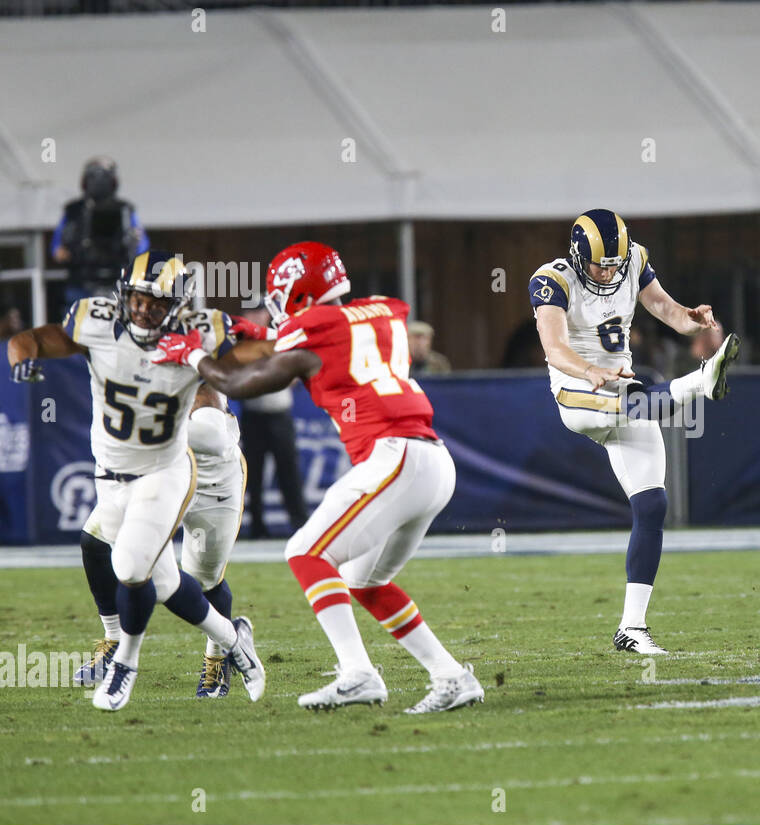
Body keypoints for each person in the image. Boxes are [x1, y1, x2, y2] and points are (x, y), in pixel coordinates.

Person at [155, 241, 482, 714]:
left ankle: (358, 673)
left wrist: (193, 357)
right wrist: (257, 331)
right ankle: (451, 676)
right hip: (431, 460)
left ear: (298, 294)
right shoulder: (382, 311)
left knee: (305, 552)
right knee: (364, 581)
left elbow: (241, 384)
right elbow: (324, 337)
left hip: (394, 456)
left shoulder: (312, 328)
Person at [6, 251, 264, 710]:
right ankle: (230, 639)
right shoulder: (99, 324)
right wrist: (21, 357)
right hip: (118, 475)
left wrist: (226, 350)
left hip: (185, 473)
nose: (145, 310)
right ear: (123, 295)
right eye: (138, 299)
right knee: (155, 579)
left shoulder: (197, 337)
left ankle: (132, 661)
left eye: (158, 302)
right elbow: (31, 338)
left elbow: (251, 370)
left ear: (179, 308)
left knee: (150, 570)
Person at [529, 208, 740, 655]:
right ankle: (700, 382)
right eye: (599, 264)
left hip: (619, 388)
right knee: (640, 402)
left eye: (614, 264)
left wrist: (693, 318)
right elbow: (554, 347)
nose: (607, 272)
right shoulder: (553, 279)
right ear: (577, 254)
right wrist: (588, 371)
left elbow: (665, 309)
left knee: (651, 503)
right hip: (576, 390)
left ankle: (632, 628)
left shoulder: (635, 259)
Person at [75, 379, 247, 699]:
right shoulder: (127, 352)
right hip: (157, 475)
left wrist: (145, 429)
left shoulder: (195, 362)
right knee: (95, 540)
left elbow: (215, 437)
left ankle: (218, 656)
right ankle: (114, 640)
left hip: (212, 481)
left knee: (204, 580)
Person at [235, 308, 309, 539]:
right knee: (253, 474)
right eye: (251, 313)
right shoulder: (240, 341)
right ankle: (256, 525)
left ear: (267, 315)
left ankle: (300, 524)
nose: (256, 318)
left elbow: (297, 372)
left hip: (279, 413)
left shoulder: (282, 337)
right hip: (253, 414)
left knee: (289, 470)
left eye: (260, 313)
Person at [51, 157, 149, 304]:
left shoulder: (125, 209)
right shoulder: (73, 210)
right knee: (78, 324)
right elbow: (56, 249)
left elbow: (142, 245)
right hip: (81, 283)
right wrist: (67, 252)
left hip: (117, 282)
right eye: (94, 178)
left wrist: (130, 246)